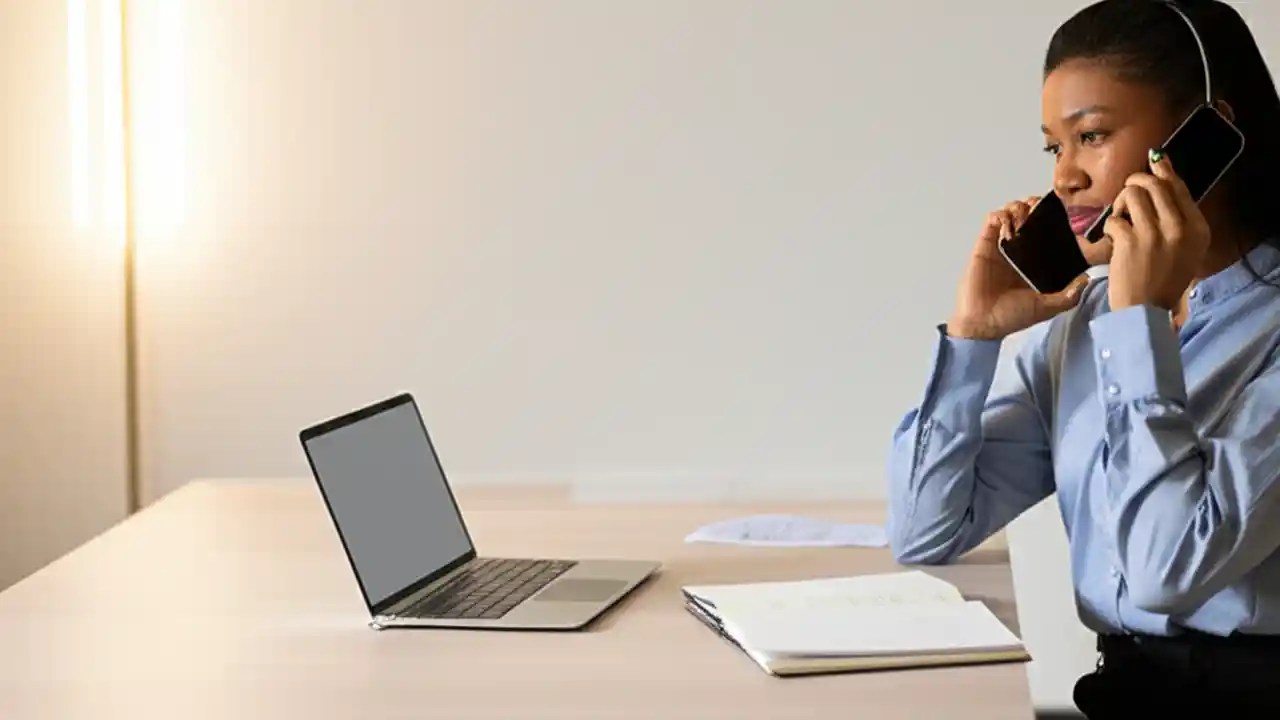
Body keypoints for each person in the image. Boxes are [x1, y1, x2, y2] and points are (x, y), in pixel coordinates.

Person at [885, 1, 1280, 716]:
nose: (1064, 177)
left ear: (1209, 133)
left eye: (1091, 135)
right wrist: (973, 338)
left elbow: (1166, 572)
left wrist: (1141, 326)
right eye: (1052, 148)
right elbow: (925, 532)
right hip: (1119, 692)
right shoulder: (1087, 324)